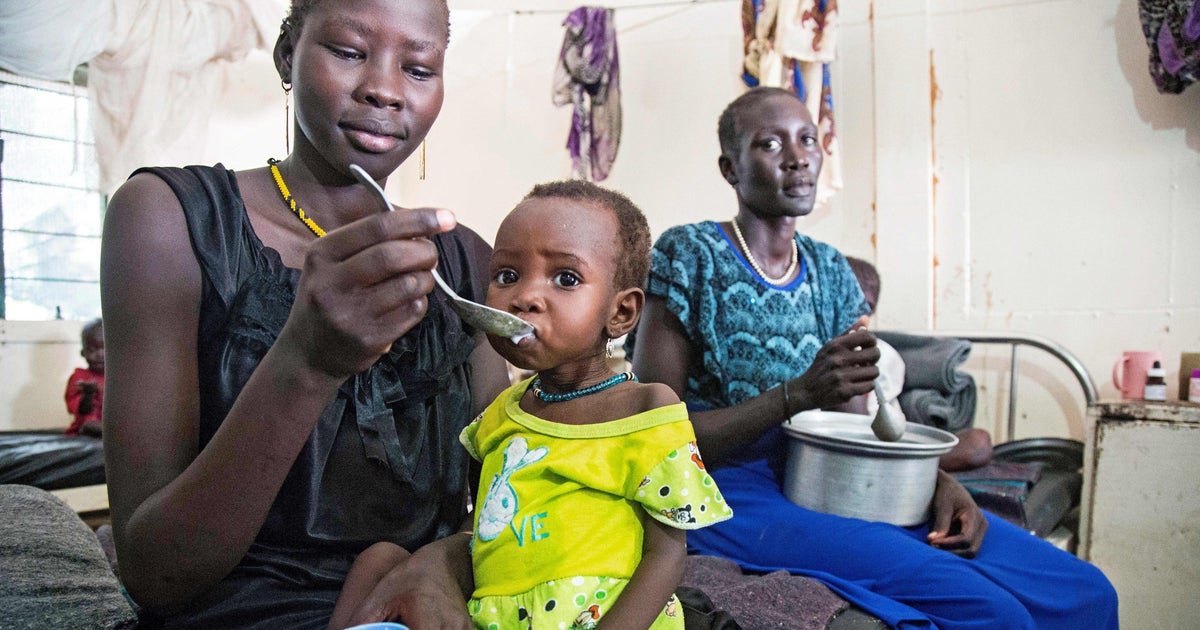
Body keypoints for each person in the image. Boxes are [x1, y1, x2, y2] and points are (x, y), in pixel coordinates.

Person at [629, 87, 1118, 629]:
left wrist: (937, 483)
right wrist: (797, 396)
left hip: (834, 475)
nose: (798, 157)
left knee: (1085, 591)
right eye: (770, 144)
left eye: (808, 139)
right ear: (731, 168)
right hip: (729, 494)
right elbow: (656, 436)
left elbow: (865, 420)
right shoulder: (688, 256)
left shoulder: (832, 272)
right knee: (992, 613)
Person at [99, 0, 511, 627]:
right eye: (348, 52)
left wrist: (436, 565)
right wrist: (308, 360)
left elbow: (501, 504)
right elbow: (155, 572)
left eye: (419, 69)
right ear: (286, 53)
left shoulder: (465, 266)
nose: (384, 89)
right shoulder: (170, 221)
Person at [334, 181, 733, 630]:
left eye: (566, 279)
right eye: (507, 275)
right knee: (377, 560)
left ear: (620, 313)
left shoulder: (644, 409)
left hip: (600, 619)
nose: (524, 297)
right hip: (500, 616)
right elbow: (486, 524)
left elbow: (667, 555)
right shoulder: (499, 415)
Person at [844, 256, 993, 472]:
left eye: (866, 307)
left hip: (886, 447)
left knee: (979, 443)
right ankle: (907, 468)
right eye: (848, 300)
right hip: (846, 448)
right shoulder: (807, 350)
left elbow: (891, 426)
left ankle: (904, 466)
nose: (858, 316)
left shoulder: (884, 356)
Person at [65, 318, 105, 437]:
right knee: (89, 425)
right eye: (92, 350)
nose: (100, 354)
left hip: (110, 425)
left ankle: (113, 432)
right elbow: (82, 411)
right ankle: (113, 433)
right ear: (83, 353)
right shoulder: (79, 378)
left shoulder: (120, 378)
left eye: (105, 348)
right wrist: (88, 394)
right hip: (86, 427)